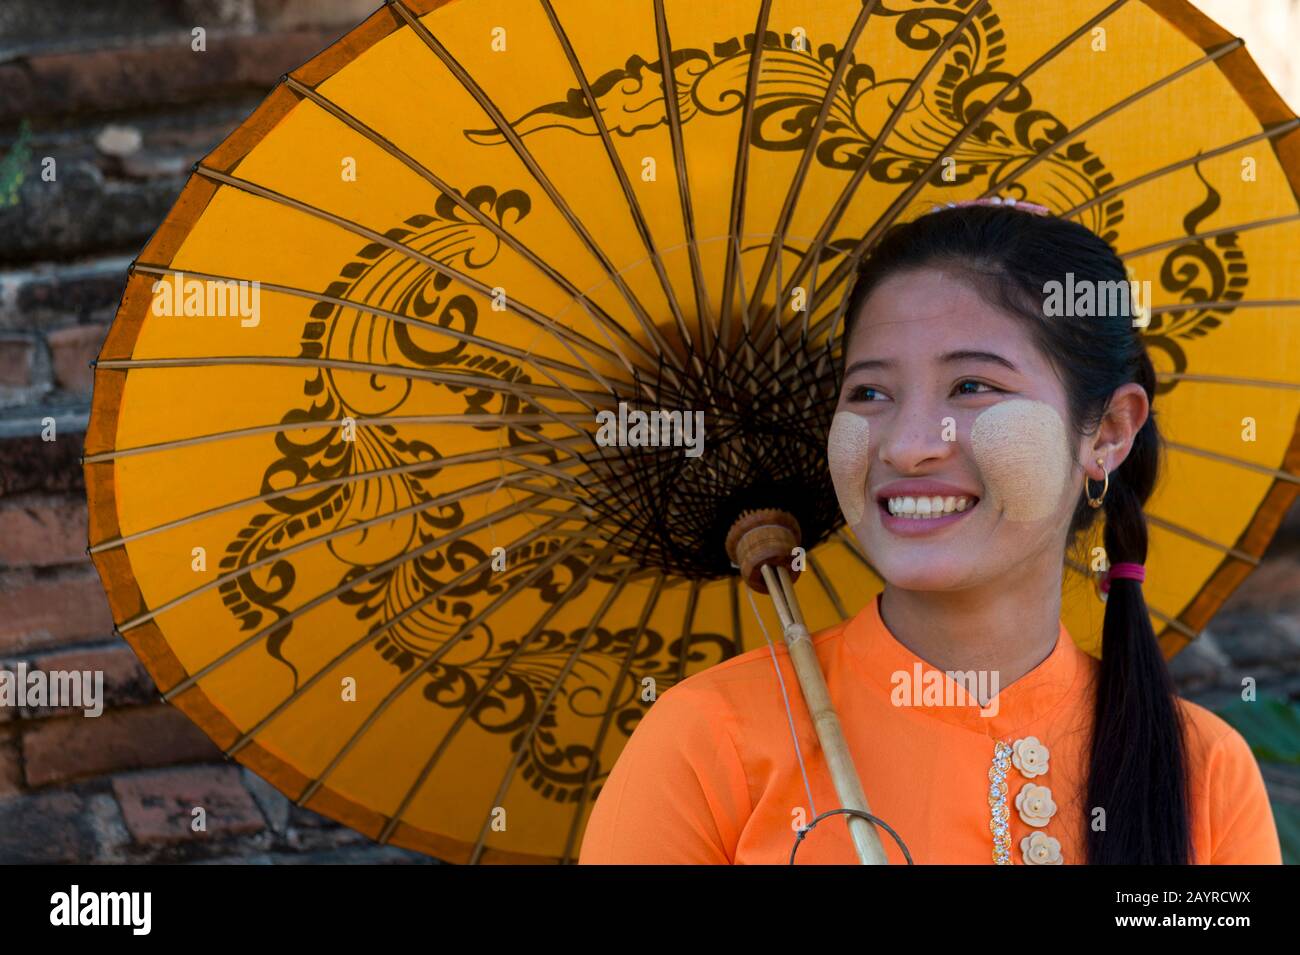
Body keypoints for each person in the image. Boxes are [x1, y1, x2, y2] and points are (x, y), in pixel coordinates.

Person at [577, 200, 1283, 865]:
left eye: (973, 386)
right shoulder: (709, 742)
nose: (909, 445)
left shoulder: (1206, 773)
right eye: (870, 393)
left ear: (1109, 431)